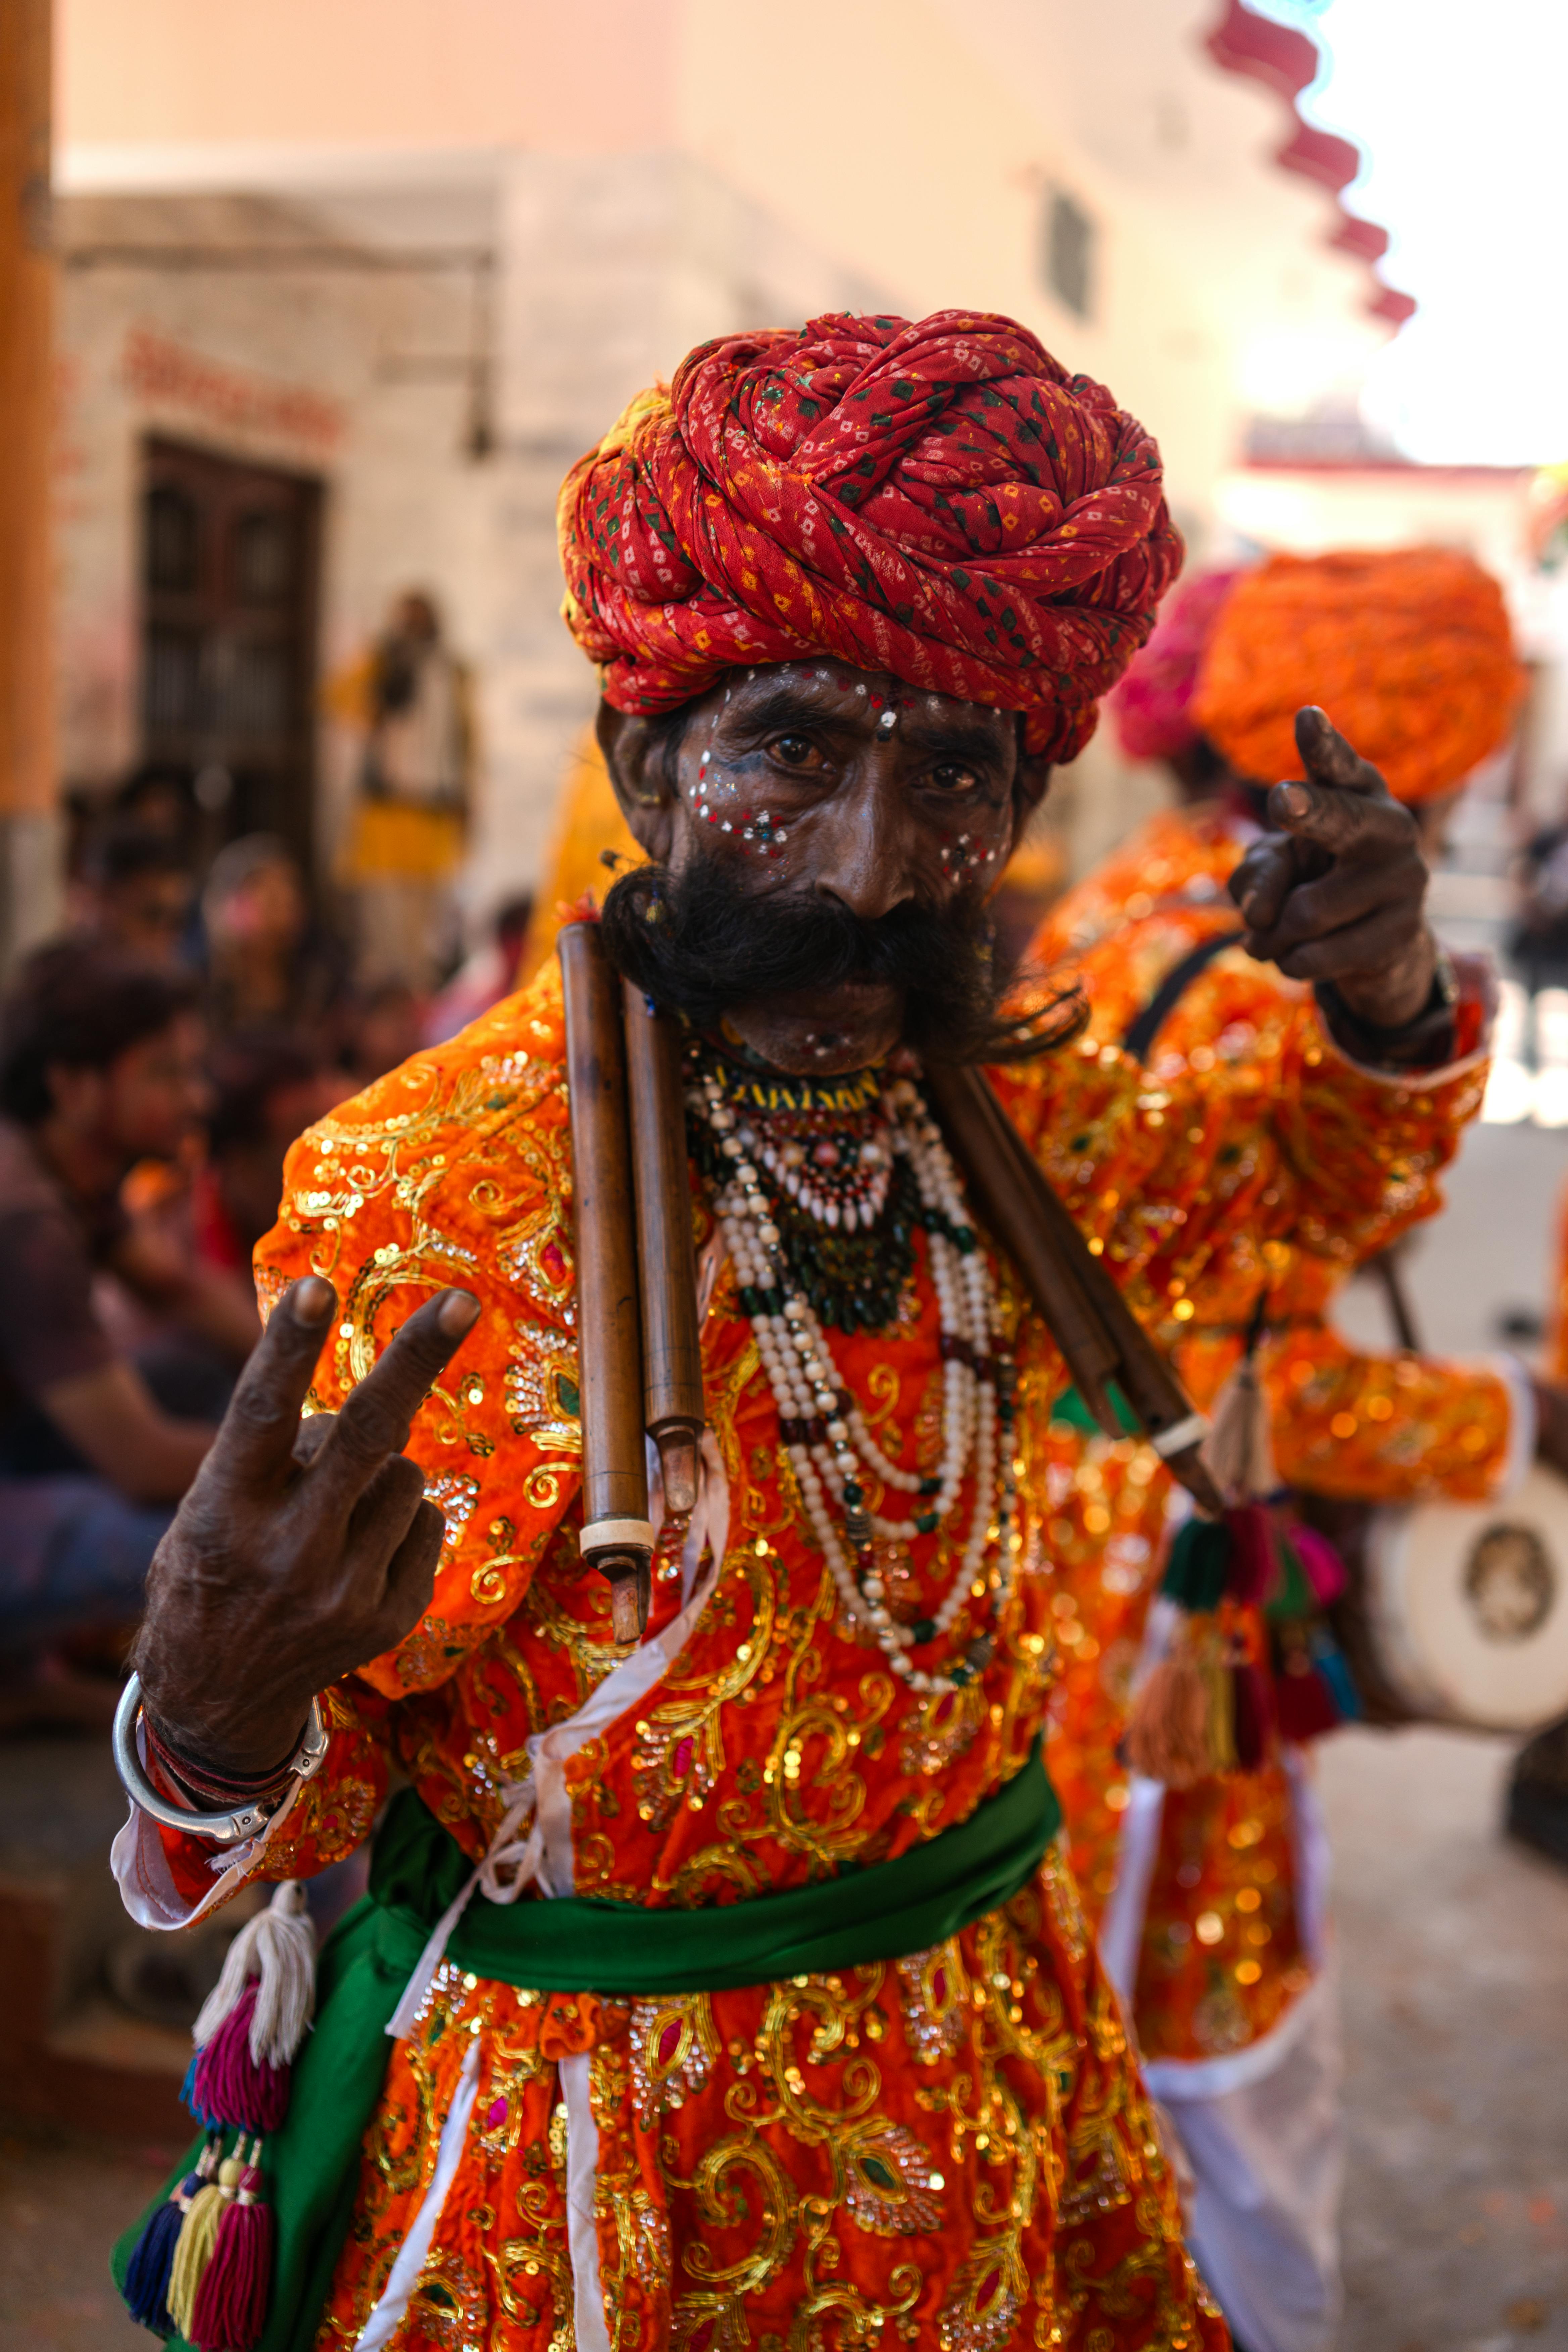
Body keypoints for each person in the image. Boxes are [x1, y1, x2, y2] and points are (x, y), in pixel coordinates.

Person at [114, 312, 1489, 2352]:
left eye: (950, 775)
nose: (864, 868)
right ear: (643, 762)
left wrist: (1383, 1005)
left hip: (994, 2059)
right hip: (608, 2160)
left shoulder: (1014, 1101)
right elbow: (232, 1836)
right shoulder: (443, 1188)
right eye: (790, 755)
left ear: (1022, 796)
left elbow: (1281, 1199)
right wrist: (203, 1718)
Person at [1028, 544, 1530, 2352]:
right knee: (1218, 2037)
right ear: (1438, 748)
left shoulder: (1131, 896)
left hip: (1052, 1537)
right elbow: (1262, 1385)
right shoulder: (1274, 976)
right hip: (1163, 1580)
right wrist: (1512, 1420)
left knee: (1092, 2016)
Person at [0, 945, 233, 1683]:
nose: (196, 1098)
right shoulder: (27, 1220)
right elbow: (141, 1461)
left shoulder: (70, 1168)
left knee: (199, 1376)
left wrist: (331, 1377)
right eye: (166, 1074)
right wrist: (327, 1458)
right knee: (190, 1538)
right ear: (72, 1086)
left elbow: (180, 1289)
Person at [342, 587, 476, 990]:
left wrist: (468, 803)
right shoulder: (381, 665)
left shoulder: (454, 673)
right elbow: (345, 704)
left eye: (420, 617)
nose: (413, 627)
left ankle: (419, 1006)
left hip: (433, 815)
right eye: (406, 619)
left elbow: (467, 742)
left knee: (426, 929)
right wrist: (379, 666)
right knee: (384, 927)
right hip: (386, 814)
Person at [199, 832, 350, 1041]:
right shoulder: (205, 990)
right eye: (271, 898)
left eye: (291, 891)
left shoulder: (322, 981)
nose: (287, 905)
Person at [70, 819, 195, 968]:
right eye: (152, 916)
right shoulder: (53, 981)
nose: (169, 939)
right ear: (102, 901)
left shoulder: (173, 984)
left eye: (178, 922)